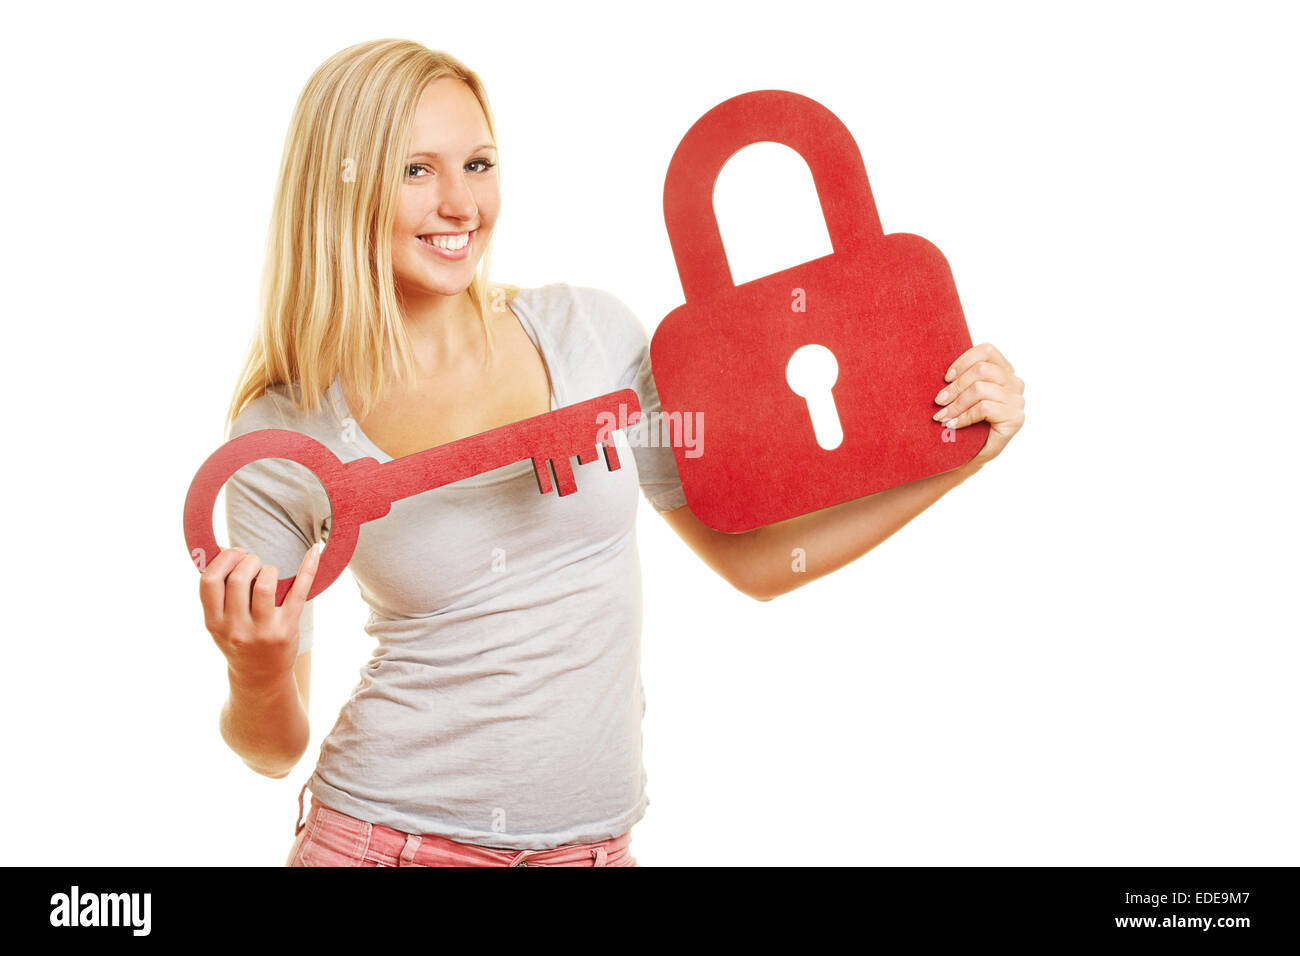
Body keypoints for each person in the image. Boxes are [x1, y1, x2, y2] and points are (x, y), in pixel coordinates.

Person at [198, 38, 1027, 868]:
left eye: (479, 164)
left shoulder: (592, 335)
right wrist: (258, 669)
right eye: (415, 171)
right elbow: (271, 750)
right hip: (382, 843)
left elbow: (759, 565)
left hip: (592, 852)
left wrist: (957, 457)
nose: (460, 204)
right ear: (338, 186)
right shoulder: (283, 435)